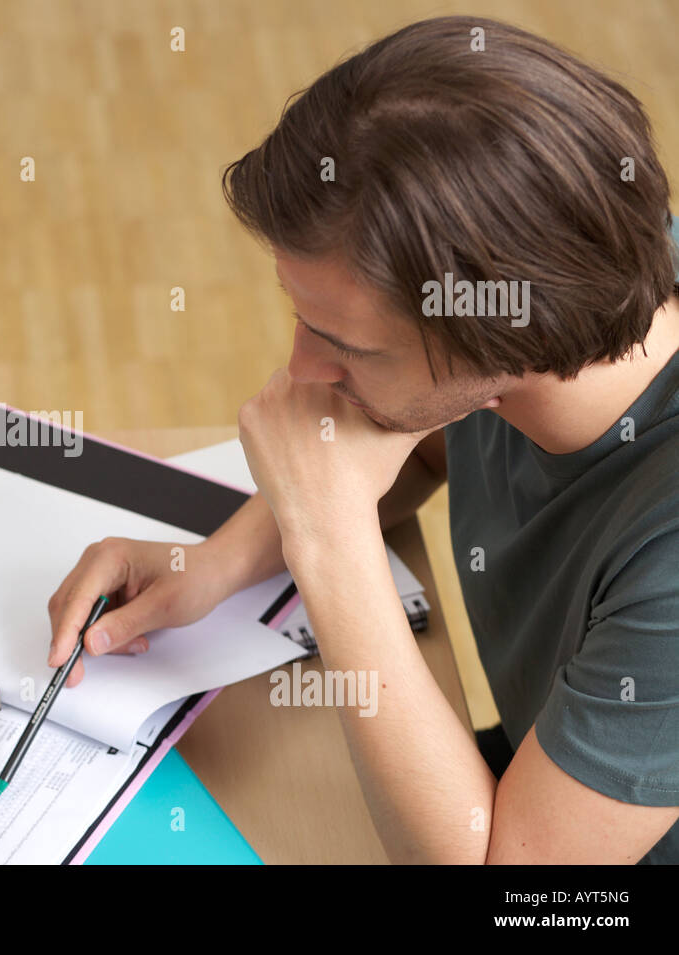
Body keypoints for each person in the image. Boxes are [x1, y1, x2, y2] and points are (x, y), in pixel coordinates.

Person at [47, 15, 679, 864]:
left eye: (344, 345)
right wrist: (212, 567)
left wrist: (328, 537)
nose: (301, 370)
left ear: (505, 346)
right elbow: (429, 442)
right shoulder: (576, 259)